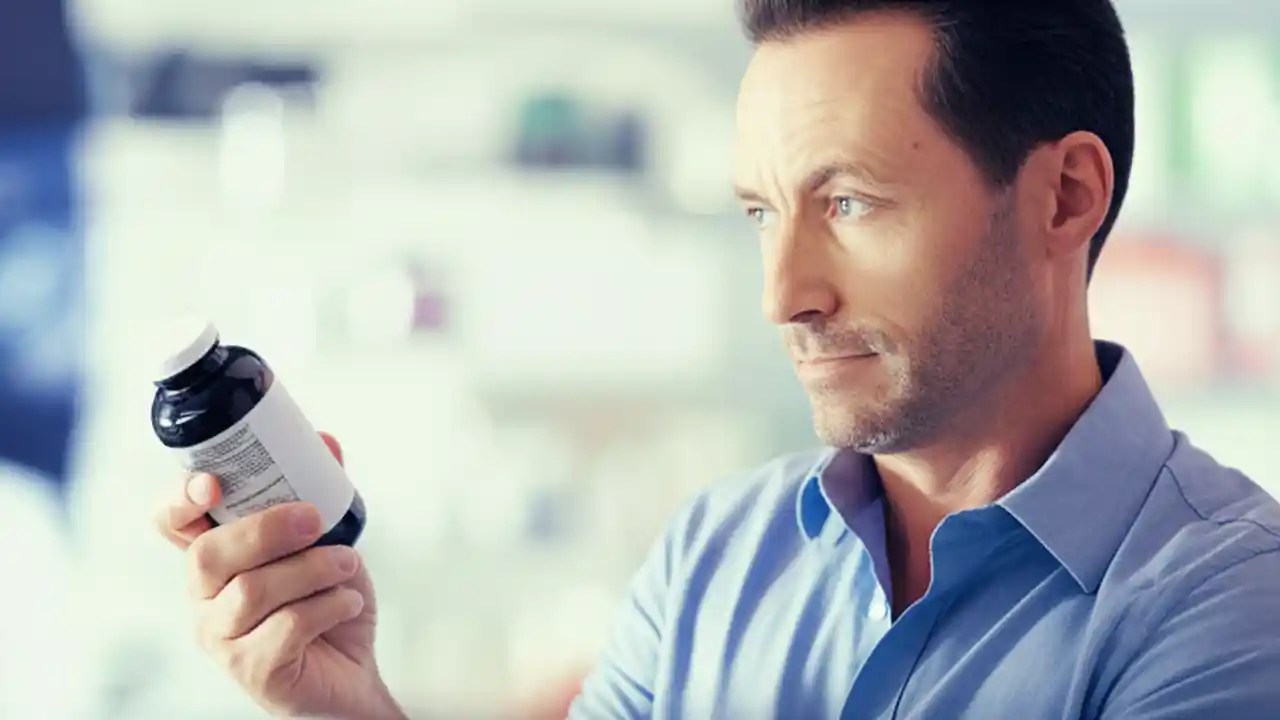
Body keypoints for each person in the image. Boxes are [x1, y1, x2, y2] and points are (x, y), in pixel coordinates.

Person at [154, 1, 1280, 718]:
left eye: (848, 202)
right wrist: (346, 704)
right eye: (760, 213)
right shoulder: (715, 557)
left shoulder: (1229, 605)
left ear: (1064, 196)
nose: (784, 295)